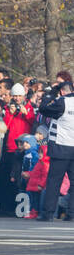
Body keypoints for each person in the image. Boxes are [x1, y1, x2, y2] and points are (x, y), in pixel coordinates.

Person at [37, 76, 74, 221]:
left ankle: (48, 213)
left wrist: (48, 96)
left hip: (60, 147)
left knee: (54, 181)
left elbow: (43, 109)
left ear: (62, 92)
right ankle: (71, 214)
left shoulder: (62, 102)